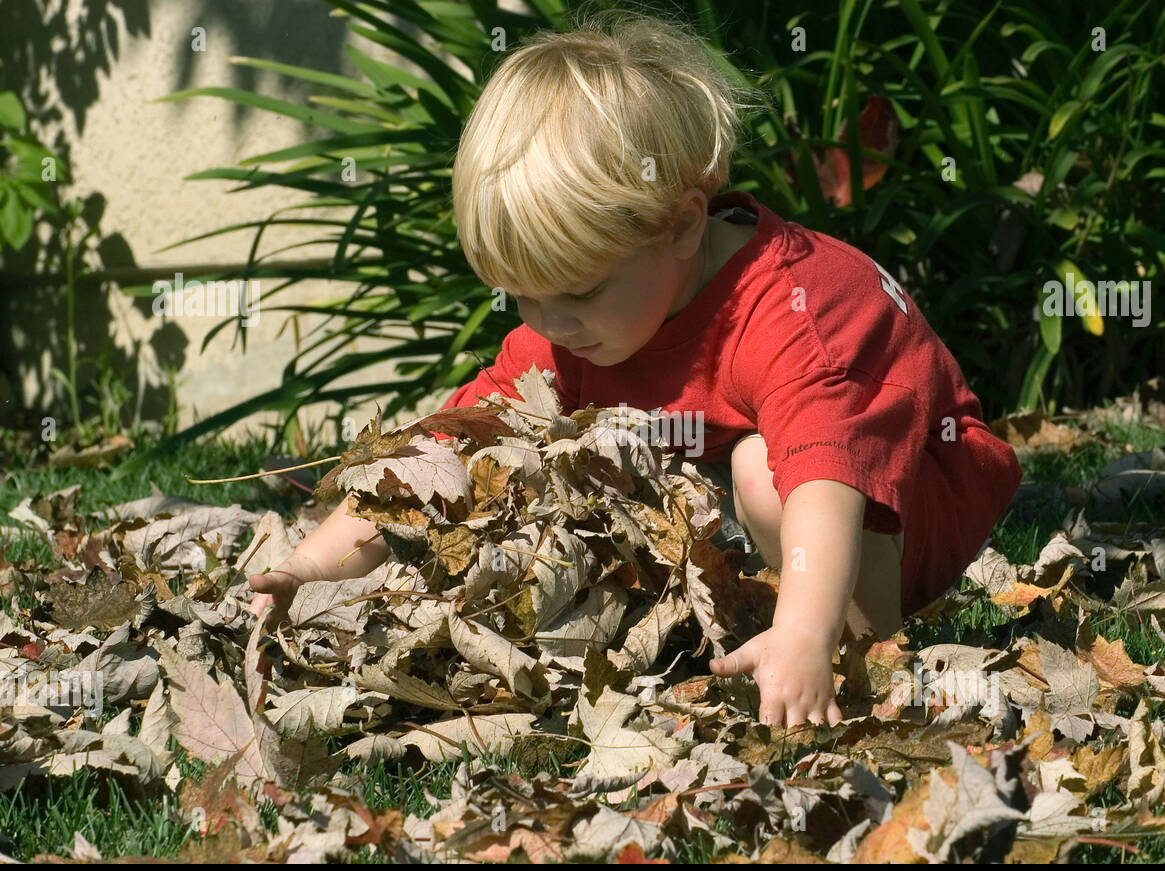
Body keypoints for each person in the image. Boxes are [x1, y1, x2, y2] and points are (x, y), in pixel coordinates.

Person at [249, 10, 1022, 730]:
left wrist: (804, 631)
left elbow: (826, 473)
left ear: (683, 226)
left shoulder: (791, 316)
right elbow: (446, 453)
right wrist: (313, 565)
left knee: (765, 470)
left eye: (580, 290)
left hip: (912, 482)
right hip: (771, 501)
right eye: (522, 296)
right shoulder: (575, 333)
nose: (549, 324)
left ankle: (856, 656)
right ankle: (770, 622)